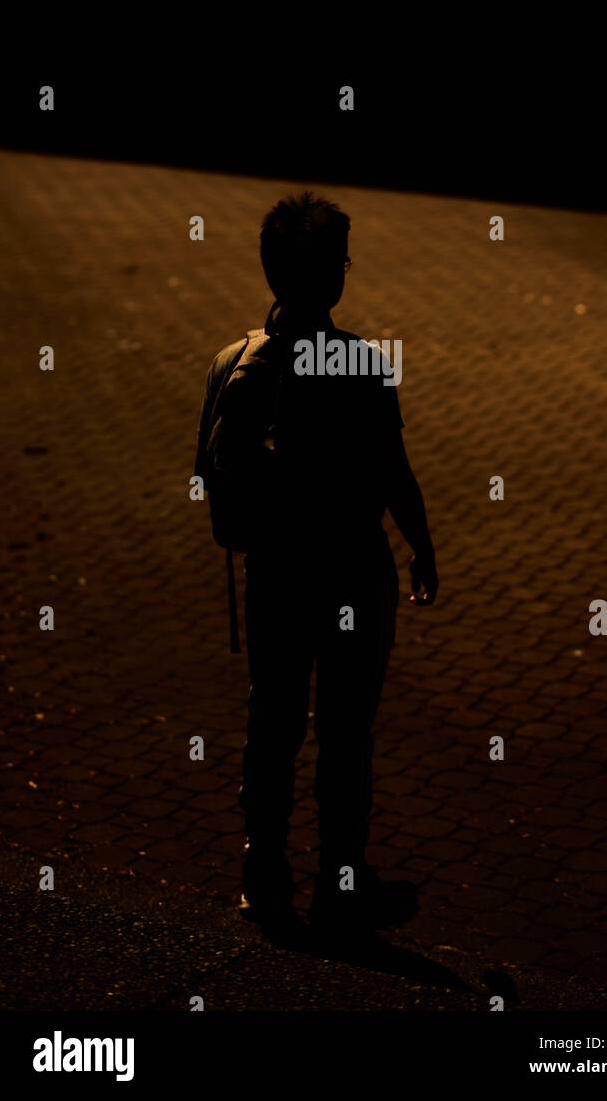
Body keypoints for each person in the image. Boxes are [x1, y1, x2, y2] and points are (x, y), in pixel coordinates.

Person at [195, 192, 438, 932]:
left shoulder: (231, 360)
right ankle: (341, 877)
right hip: (352, 572)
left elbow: (212, 472)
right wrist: (421, 546)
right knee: (344, 730)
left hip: (273, 572)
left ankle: (262, 869)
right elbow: (392, 470)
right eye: (340, 258)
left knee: (271, 722)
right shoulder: (359, 361)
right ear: (331, 275)